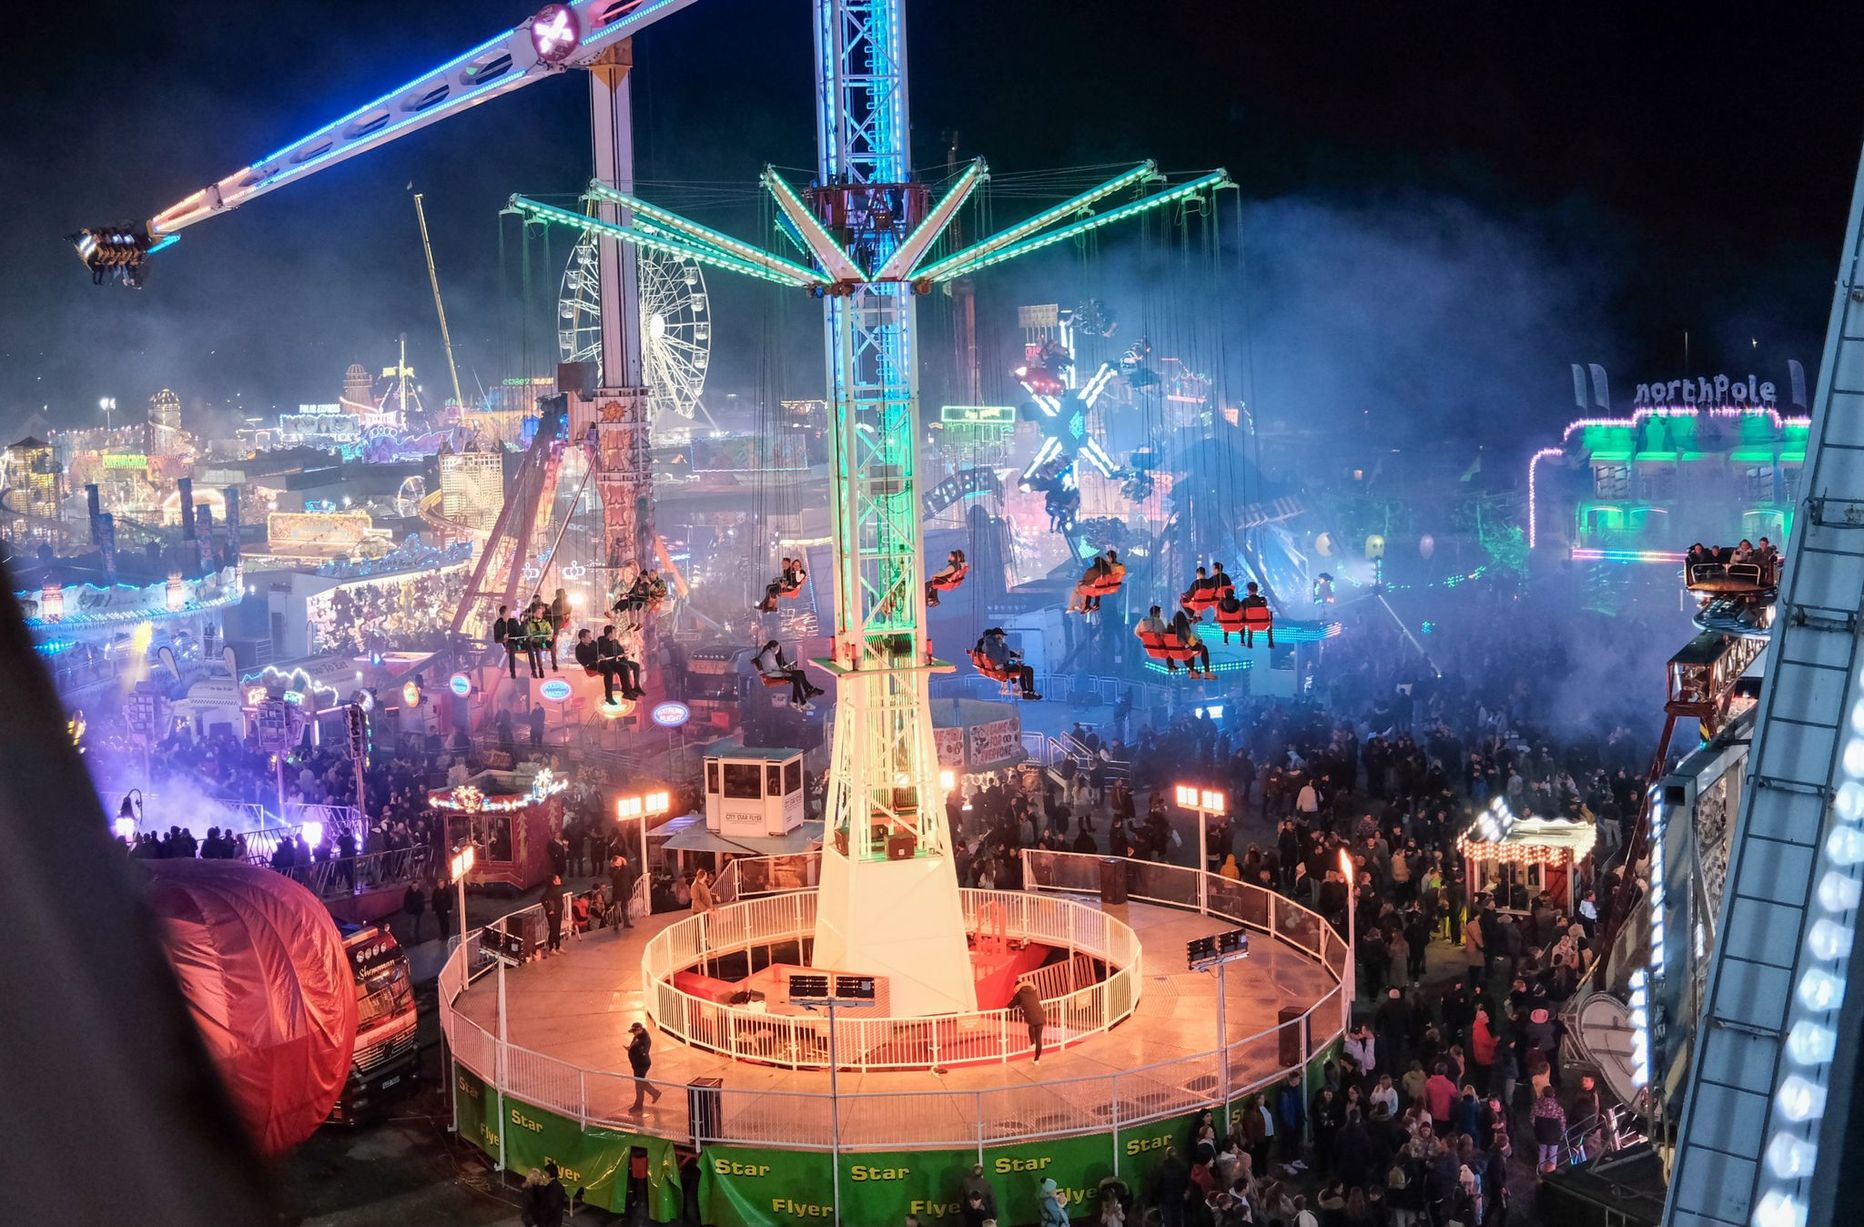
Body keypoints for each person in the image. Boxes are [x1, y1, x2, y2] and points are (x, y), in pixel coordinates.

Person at [755, 639, 824, 710]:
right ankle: (803, 702)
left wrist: (788, 667)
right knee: (796, 678)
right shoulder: (767, 656)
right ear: (772, 648)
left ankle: (806, 692)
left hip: (778, 672)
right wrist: (786, 673)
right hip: (773, 676)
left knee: (801, 673)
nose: (778, 650)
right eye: (777, 648)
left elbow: (780, 663)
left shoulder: (773, 652)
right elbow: (771, 671)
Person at [979, 627, 1040, 700]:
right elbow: (1005, 658)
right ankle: (1030, 691)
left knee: (1019, 667)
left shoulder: (988, 645)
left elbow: (999, 655)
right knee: (1029, 669)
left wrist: (1013, 655)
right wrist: (1005, 646)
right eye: (1001, 635)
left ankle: (1025, 691)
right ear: (996, 635)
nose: (1002, 637)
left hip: (996, 668)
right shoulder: (992, 646)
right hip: (1002, 669)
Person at [597, 624, 643, 700]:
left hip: (620, 659)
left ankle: (636, 687)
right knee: (625, 668)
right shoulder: (602, 642)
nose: (616, 634)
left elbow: (621, 651)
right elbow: (601, 654)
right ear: (609, 633)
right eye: (614, 632)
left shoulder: (615, 641)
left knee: (636, 665)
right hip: (611, 662)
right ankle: (627, 692)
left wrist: (624, 655)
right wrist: (604, 657)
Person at [627, 1021, 663, 1113]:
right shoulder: (638, 1036)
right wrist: (630, 1048)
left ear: (639, 1029)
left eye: (634, 1031)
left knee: (639, 1085)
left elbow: (644, 1052)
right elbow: (634, 1046)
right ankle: (655, 1093)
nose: (633, 1033)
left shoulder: (645, 1039)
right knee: (640, 1083)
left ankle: (638, 1106)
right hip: (637, 1064)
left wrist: (635, 1051)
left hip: (642, 1064)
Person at [1531, 1083, 1567, 1172]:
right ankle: (1551, 1171)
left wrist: (1536, 1128)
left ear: (1543, 1093)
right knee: (1553, 1153)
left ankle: (1540, 1170)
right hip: (1554, 1135)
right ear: (1553, 1095)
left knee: (1542, 1151)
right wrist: (1561, 1134)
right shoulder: (1558, 1108)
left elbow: (1532, 1119)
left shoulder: (1537, 1105)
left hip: (1541, 1134)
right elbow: (1562, 1123)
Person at [1168, 609, 1211, 677]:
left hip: (1174, 652)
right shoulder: (1185, 632)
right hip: (1185, 651)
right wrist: (1199, 641)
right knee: (1203, 648)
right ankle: (1207, 669)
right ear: (1183, 621)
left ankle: (1191, 669)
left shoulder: (1169, 628)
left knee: (1186, 648)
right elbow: (1194, 645)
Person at [1076, 548, 1122, 612]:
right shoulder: (1110, 569)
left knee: (1089, 590)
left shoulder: (1096, 571)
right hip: (1107, 589)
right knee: (1095, 589)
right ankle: (1093, 604)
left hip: (1103, 589)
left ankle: (1088, 605)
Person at [1015, 981, 1047, 1062]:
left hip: (1031, 1016)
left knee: (1031, 1025)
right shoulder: (1033, 991)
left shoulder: (1019, 994)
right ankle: (1036, 1059)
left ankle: (1032, 1043)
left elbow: (1011, 1005)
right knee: (1039, 1038)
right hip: (1041, 1015)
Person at [1238, 581, 1273, 648]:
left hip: (1251, 626)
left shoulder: (1246, 601)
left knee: (1248, 617)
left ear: (1248, 591)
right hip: (1264, 625)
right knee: (1269, 618)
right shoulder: (1263, 599)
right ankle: (1270, 642)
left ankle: (1249, 642)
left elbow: (1239, 608)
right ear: (1257, 590)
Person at [609, 853, 636, 928]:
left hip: (626, 891)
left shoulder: (627, 868)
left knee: (625, 908)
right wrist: (615, 868)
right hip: (618, 892)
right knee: (617, 909)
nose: (618, 863)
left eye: (619, 861)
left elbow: (633, 876)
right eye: (616, 862)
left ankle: (627, 923)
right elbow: (612, 876)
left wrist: (631, 884)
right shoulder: (612, 870)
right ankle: (616, 925)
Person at [541, 873, 566, 953]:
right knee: (553, 930)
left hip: (558, 911)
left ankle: (558, 946)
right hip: (553, 913)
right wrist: (549, 909)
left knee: (557, 929)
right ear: (554, 881)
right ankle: (551, 948)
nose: (559, 880)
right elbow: (543, 899)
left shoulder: (558, 888)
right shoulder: (550, 890)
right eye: (558, 879)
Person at [493, 604, 521, 679]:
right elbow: (496, 640)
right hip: (508, 642)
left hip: (517, 641)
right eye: (508, 611)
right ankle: (512, 671)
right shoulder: (498, 624)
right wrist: (503, 637)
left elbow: (519, 632)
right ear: (505, 613)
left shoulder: (513, 621)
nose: (510, 612)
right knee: (511, 648)